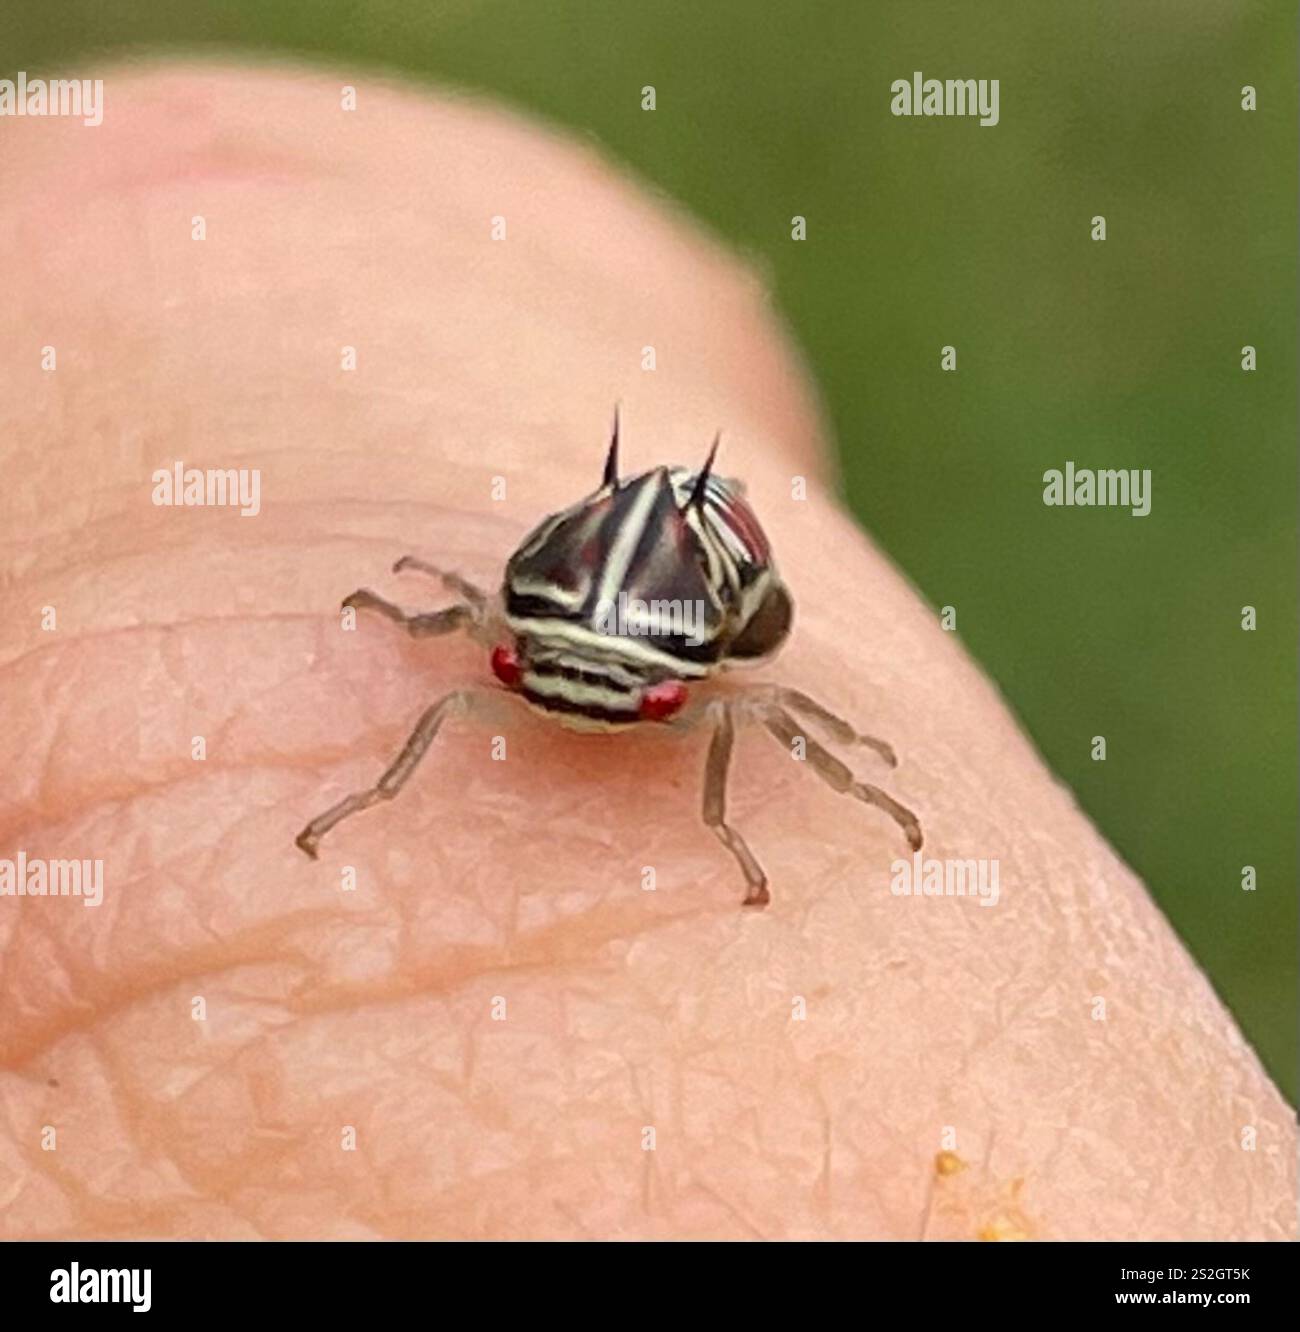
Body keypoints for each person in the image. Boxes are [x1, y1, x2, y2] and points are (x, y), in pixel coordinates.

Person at [0, 62, 1291, 1240]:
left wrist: (810, 767)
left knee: (749, 709)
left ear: (683, 676)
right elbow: (508, 656)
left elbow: (750, 692)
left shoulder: (709, 680)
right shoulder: (583, 666)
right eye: (521, 669)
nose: (566, 703)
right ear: (510, 647)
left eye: (649, 691)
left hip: (707, 600)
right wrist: (411, 709)